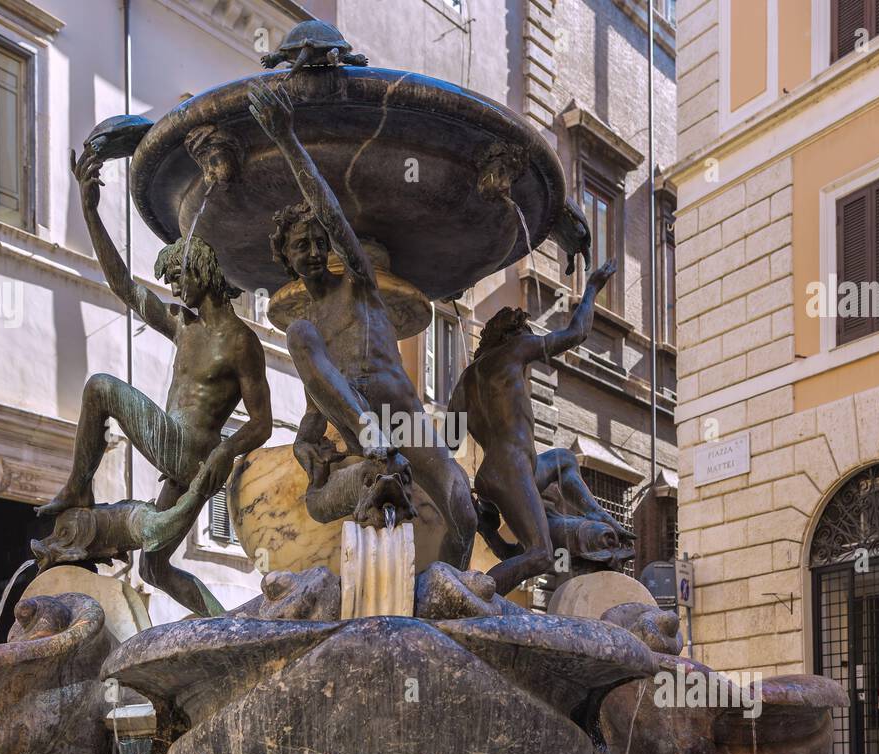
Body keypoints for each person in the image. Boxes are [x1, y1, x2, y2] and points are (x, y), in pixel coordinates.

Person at [248, 81, 477, 566]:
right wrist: (305, 443)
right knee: (314, 500)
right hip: (359, 428)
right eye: (300, 245)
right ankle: (376, 460)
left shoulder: (359, 283)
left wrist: (287, 140)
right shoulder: (306, 330)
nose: (313, 251)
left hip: (401, 415)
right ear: (285, 258)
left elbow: (332, 213)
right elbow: (314, 410)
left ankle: (455, 594)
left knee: (465, 513)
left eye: (318, 242)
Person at [37, 148, 273, 615]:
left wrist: (224, 452)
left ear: (203, 271)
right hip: (179, 458)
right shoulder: (183, 327)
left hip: (191, 450)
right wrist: (90, 210)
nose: (177, 289)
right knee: (154, 568)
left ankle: (78, 488)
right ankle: (223, 629)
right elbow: (123, 284)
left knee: (101, 387)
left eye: (182, 278)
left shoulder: (240, 342)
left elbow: (262, 423)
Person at [448, 259, 629, 595]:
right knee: (542, 555)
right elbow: (577, 333)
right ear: (514, 336)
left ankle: (600, 515)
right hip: (513, 467)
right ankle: (470, 599)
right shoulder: (514, 349)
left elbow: (449, 439)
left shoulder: (463, 383)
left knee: (563, 459)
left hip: (499, 471)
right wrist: (591, 289)